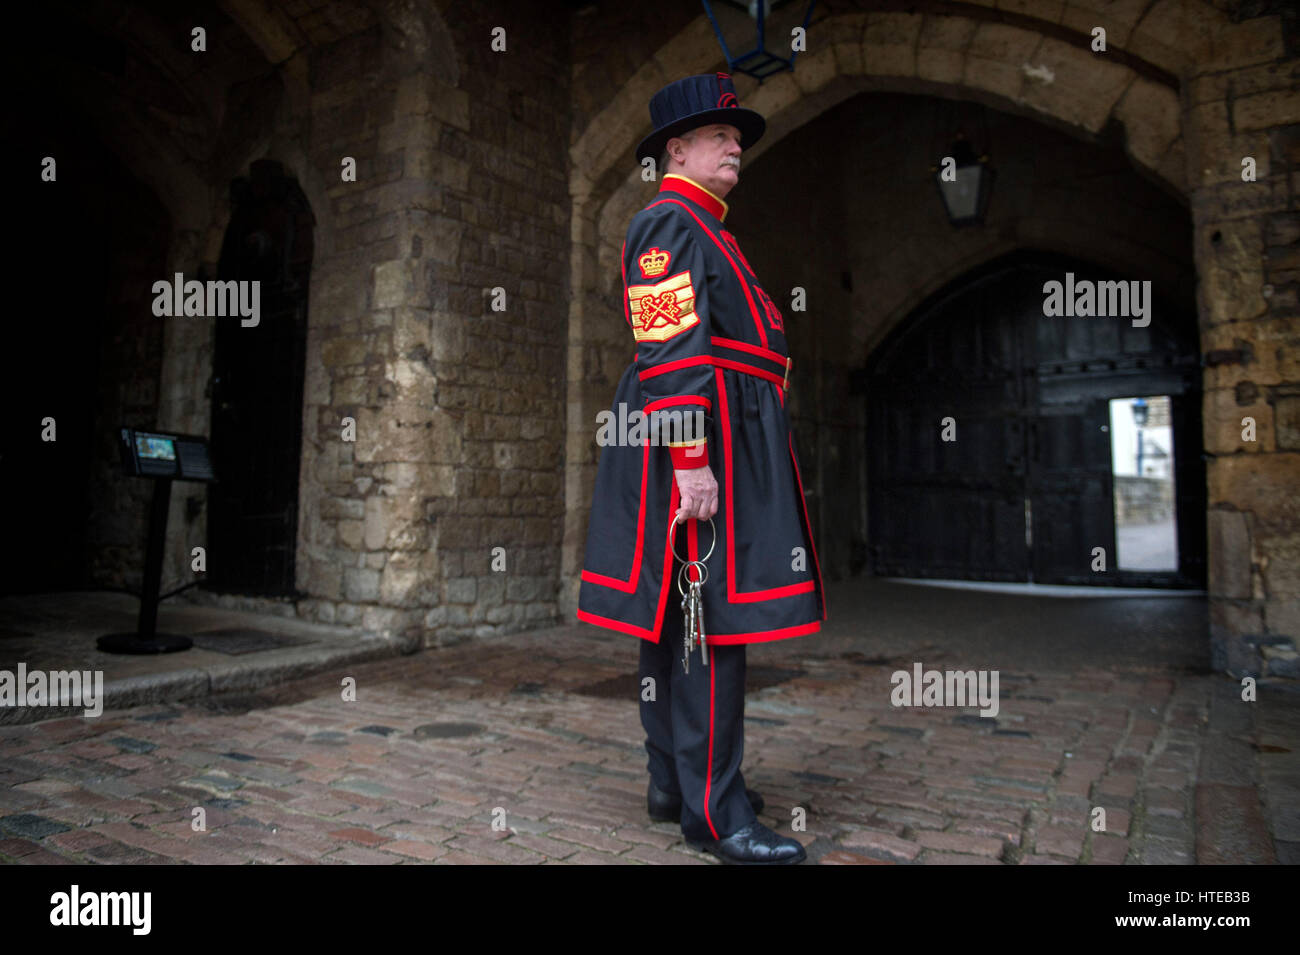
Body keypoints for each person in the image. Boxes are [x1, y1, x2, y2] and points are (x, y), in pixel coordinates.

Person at [577, 73, 826, 864]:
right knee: (705, 620)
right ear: (676, 151)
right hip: (698, 438)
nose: (737, 146)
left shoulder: (706, 226)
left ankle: (676, 783)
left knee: (678, 616)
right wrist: (691, 462)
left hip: (723, 431)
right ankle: (716, 817)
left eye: (738, 136)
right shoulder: (668, 220)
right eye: (721, 135)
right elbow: (669, 347)